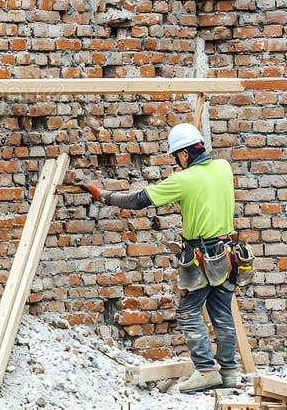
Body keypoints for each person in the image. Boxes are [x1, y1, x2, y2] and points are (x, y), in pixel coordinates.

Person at [79, 122, 239, 393]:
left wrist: (101, 195)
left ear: (184, 154)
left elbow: (137, 200)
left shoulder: (184, 180)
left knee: (187, 312)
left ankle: (206, 371)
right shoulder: (224, 167)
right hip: (227, 252)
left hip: (202, 255)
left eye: (176, 156)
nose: (177, 162)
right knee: (221, 312)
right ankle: (229, 373)